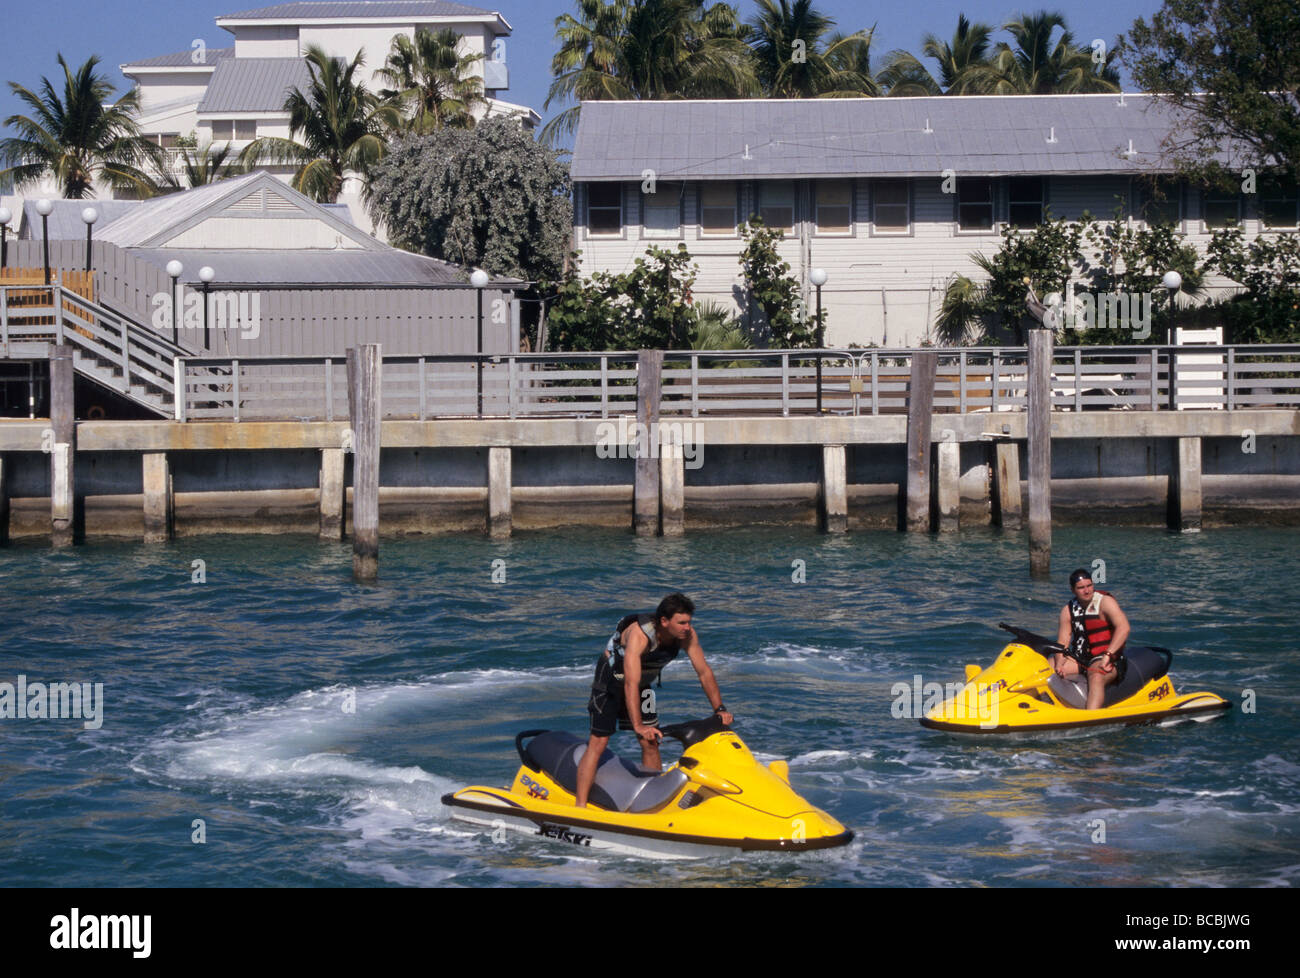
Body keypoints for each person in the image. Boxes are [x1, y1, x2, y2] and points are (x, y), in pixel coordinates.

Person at [574, 593, 733, 808]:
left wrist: (719, 709)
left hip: (641, 684)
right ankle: (580, 807)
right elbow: (630, 683)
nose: (687, 627)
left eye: (689, 622)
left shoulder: (687, 636)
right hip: (611, 681)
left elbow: (703, 672)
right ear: (664, 622)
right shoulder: (640, 635)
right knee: (599, 742)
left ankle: (654, 803)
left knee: (651, 741)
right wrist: (637, 725)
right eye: (682, 622)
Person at [1051, 568, 1131, 710]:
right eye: (1081, 588)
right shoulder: (1068, 610)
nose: (1087, 591)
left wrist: (1109, 654)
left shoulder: (1105, 602)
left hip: (1108, 657)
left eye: (1089, 586)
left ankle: (1091, 717)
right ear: (1073, 590)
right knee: (1044, 666)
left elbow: (1123, 628)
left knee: (1096, 674)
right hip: (1080, 658)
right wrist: (1058, 663)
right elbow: (1063, 641)